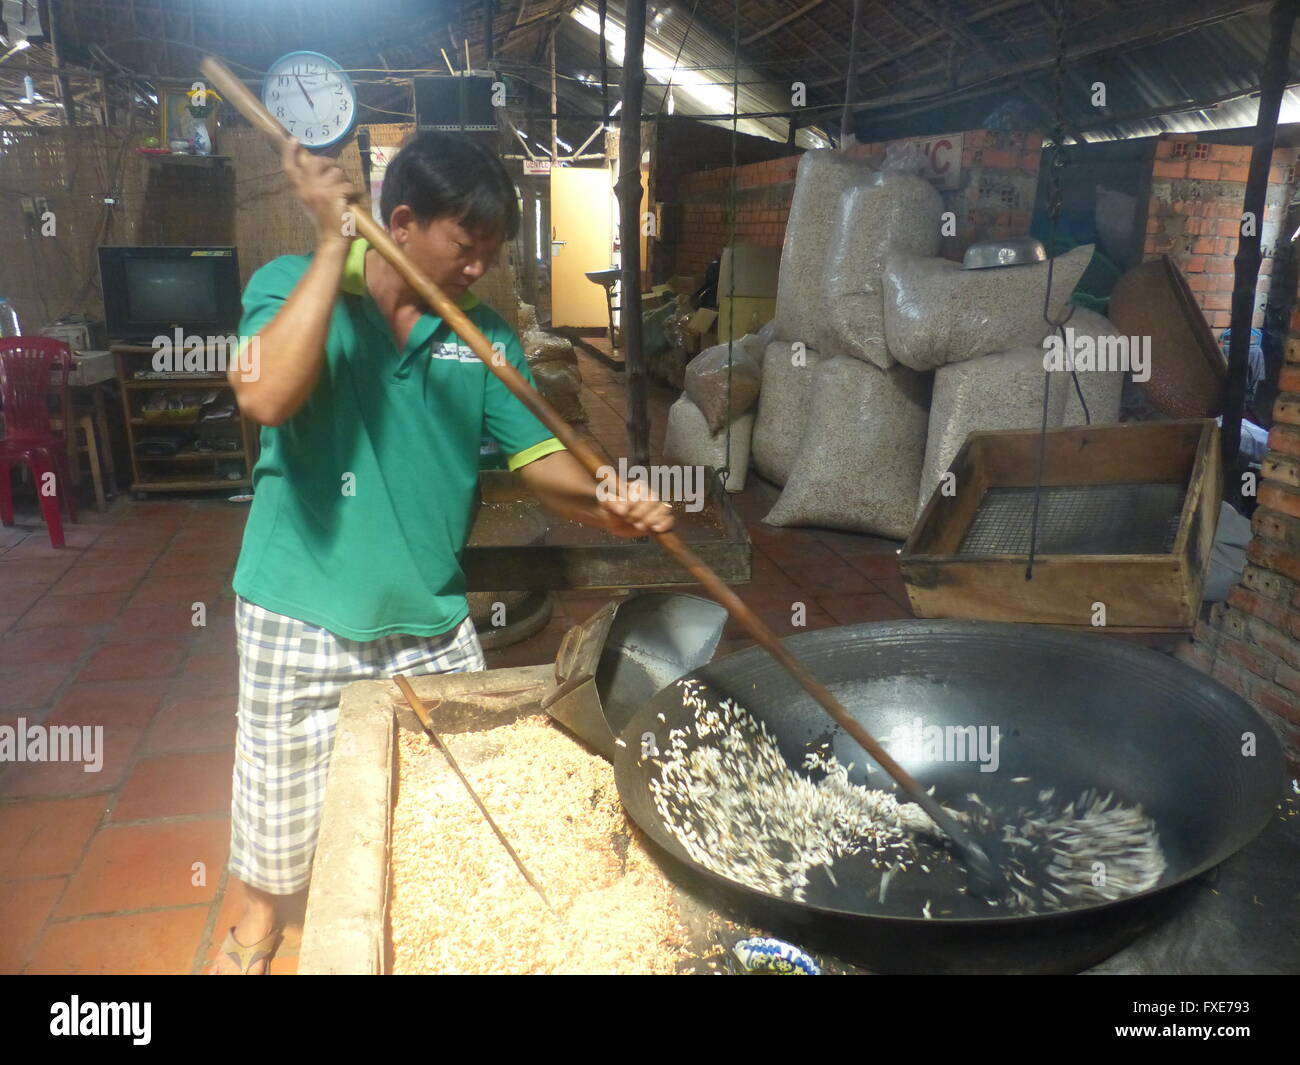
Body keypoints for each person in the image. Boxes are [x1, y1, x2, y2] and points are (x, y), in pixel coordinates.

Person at [209, 132, 672, 974]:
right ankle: (251, 936)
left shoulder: (481, 336)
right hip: (300, 609)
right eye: (465, 247)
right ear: (404, 220)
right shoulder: (288, 287)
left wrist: (611, 503)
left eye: (489, 254)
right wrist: (328, 245)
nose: (476, 270)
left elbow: (544, 467)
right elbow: (267, 393)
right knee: (275, 839)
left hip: (427, 616)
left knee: (447, 813)